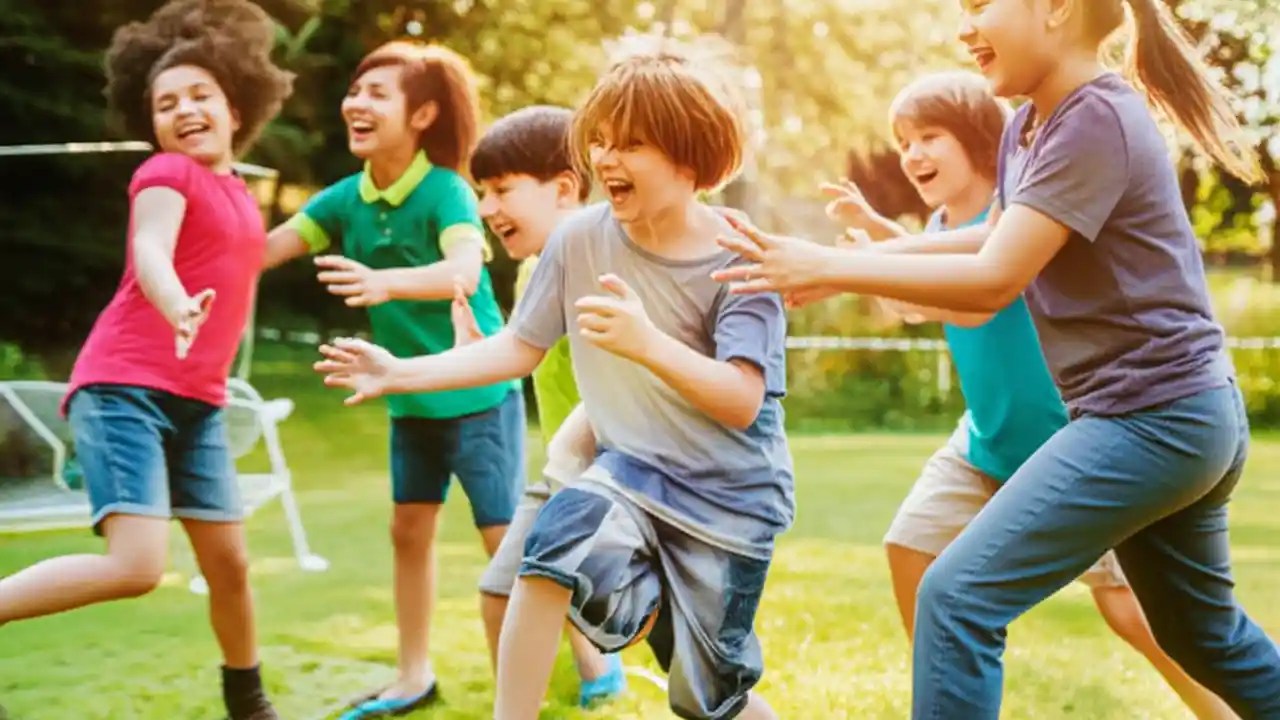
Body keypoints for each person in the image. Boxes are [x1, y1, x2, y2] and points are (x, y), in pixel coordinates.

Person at [713, 0, 1280, 716]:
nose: (963, 27)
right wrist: (836, 265)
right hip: (1179, 415)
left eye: (981, 5)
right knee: (1204, 637)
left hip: (1154, 419)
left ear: (1056, 8)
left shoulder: (1094, 118)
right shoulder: (1031, 126)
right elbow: (986, 243)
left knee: (955, 597)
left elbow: (994, 278)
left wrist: (834, 265)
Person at [314, 37, 791, 720]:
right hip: (625, 474)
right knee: (548, 556)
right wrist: (399, 371)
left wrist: (648, 343)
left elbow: (743, 401)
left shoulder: (741, 261)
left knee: (711, 702)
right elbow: (517, 348)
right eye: (599, 140)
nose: (603, 158)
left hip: (725, 504)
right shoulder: (578, 241)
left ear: (691, 156)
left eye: (629, 144)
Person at [829, 70, 1233, 719]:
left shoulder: (1027, 215)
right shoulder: (937, 222)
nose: (912, 154)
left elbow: (969, 298)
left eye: (929, 136)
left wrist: (851, 264)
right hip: (987, 440)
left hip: (1069, 441)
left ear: (978, 138)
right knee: (912, 547)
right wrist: (876, 236)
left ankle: (1219, 710)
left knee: (1136, 614)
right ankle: (949, 683)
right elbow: (924, 263)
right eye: (903, 141)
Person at [0, 2, 293, 719]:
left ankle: (247, 702)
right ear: (152, 123)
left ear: (235, 108)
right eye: (166, 103)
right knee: (136, 569)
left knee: (229, 564)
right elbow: (152, 249)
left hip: (200, 401)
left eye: (200, 96)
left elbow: (266, 252)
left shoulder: (241, 199)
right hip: (125, 385)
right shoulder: (166, 174)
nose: (184, 110)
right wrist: (173, 301)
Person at [263, 41, 525, 718]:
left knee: (505, 541)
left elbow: (463, 273)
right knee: (408, 530)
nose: (358, 102)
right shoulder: (348, 198)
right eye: (356, 89)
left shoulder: (445, 189)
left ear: (423, 114)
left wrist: (384, 283)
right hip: (408, 396)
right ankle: (412, 677)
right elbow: (267, 249)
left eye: (379, 92)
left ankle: (582, 663)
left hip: (477, 391)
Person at [456, 104, 627, 708]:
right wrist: (480, 352)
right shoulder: (533, 270)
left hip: (631, 475)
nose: (486, 208)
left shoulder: (611, 261)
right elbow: (523, 351)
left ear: (564, 190)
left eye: (502, 189)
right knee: (501, 593)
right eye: (483, 192)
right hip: (567, 472)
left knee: (675, 640)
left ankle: (608, 666)